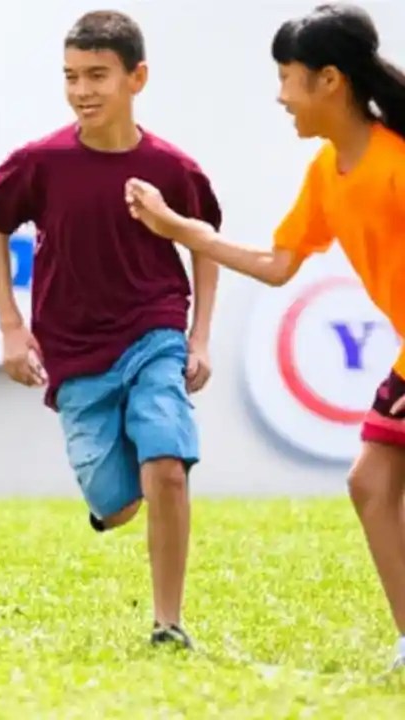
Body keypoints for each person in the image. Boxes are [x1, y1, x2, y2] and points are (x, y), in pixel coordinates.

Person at [124, 3, 405, 667]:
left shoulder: (395, 166)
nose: (280, 96)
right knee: (371, 482)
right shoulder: (329, 173)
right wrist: (180, 230)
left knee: (372, 479)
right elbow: (277, 266)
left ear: (329, 81)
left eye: (288, 77)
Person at [0, 10, 222, 649]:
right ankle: (118, 496)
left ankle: (168, 624)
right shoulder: (41, 162)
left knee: (166, 464)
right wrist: (9, 324)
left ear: (137, 78)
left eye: (97, 76)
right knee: (119, 504)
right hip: (75, 353)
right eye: (71, 76)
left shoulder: (173, 168)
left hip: (155, 330)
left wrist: (199, 335)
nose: (82, 90)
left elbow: (206, 244)